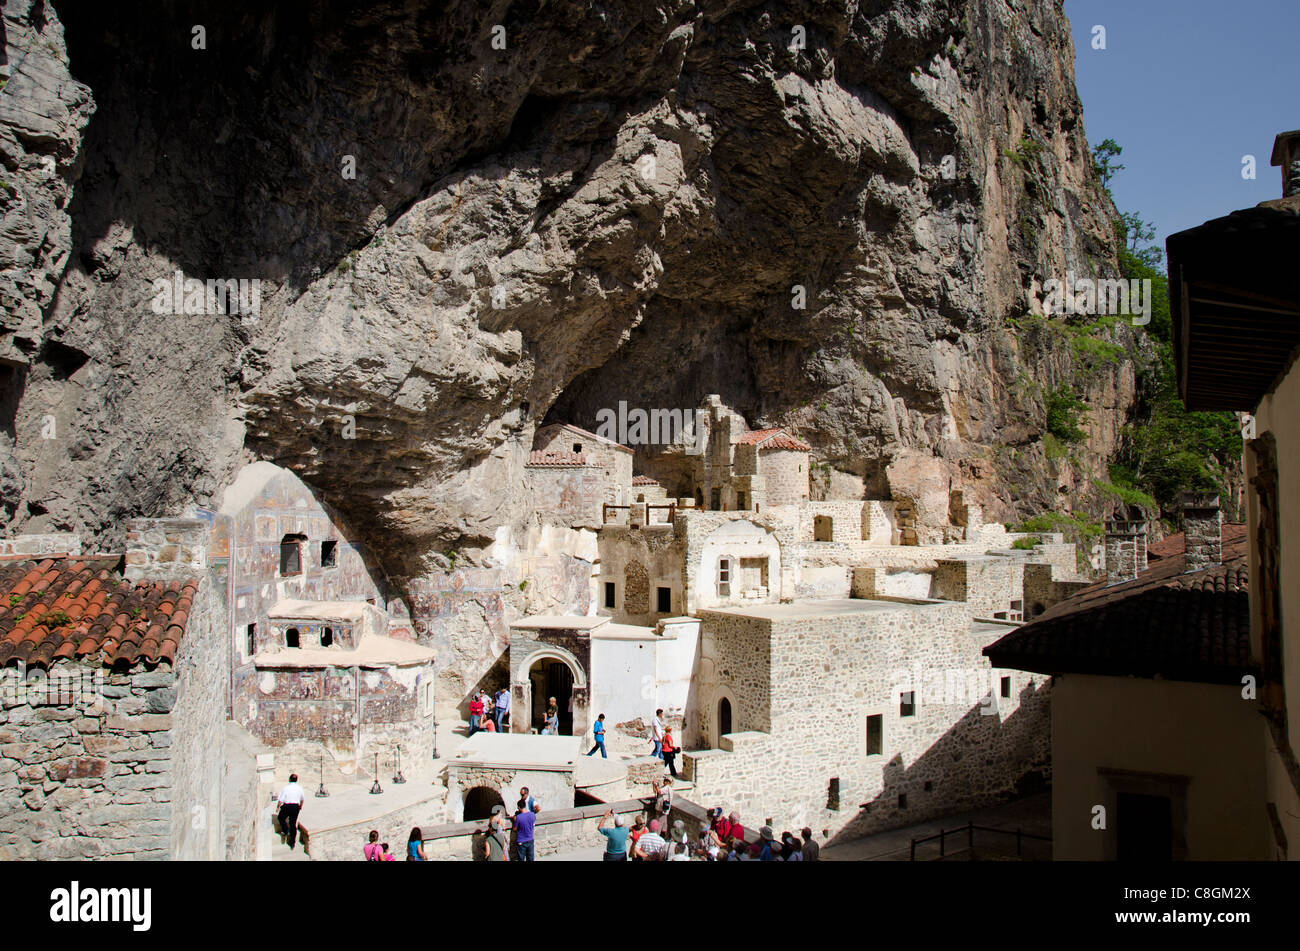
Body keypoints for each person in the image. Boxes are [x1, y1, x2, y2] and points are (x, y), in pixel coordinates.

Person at [276, 773, 306, 850]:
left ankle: (285, 830)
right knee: (293, 824)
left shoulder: (286, 788)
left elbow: (281, 799)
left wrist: (278, 807)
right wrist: (300, 806)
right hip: (295, 807)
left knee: (281, 818)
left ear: (289, 779)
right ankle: (292, 842)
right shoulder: (299, 788)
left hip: (287, 806)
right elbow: (302, 799)